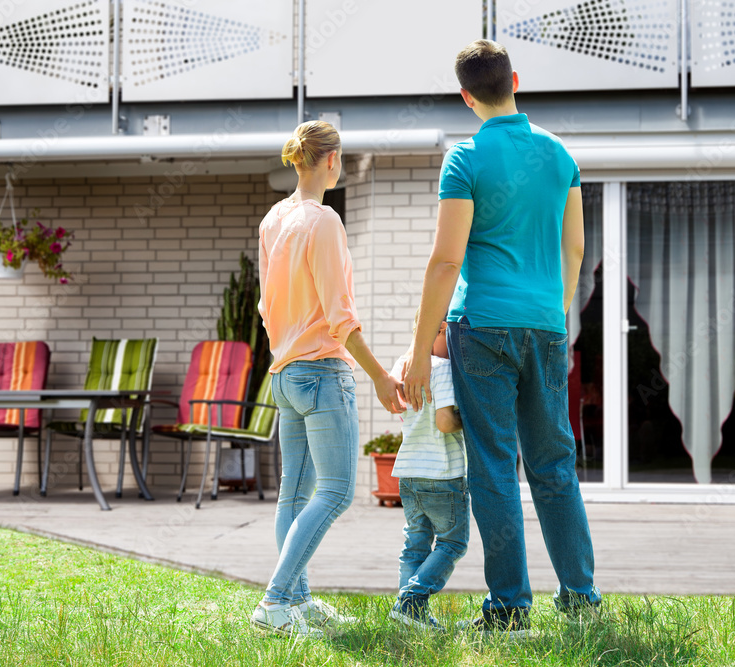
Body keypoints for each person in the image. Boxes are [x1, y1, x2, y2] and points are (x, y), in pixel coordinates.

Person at [403, 40, 600, 637]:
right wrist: (555, 312)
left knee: (492, 465)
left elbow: (445, 261)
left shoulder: (463, 159)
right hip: (544, 326)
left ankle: (510, 606)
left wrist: (417, 354)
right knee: (553, 464)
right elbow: (576, 248)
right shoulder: (559, 154)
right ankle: (580, 598)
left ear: (466, 96)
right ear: (515, 79)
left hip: (482, 328)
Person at [252, 120, 405, 637]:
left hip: (285, 374)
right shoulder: (324, 222)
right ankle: (275, 601)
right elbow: (342, 317)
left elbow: (264, 306)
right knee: (337, 492)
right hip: (321, 371)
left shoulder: (274, 219)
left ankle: (296, 601)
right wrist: (382, 376)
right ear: (332, 160)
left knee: (293, 496)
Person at [388, 318, 469, 632]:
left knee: (415, 544)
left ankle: (411, 615)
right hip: (441, 473)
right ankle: (410, 599)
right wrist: (470, 421)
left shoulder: (403, 364)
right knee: (452, 543)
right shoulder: (442, 368)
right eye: (454, 334)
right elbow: (445, 422)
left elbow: (396, 404)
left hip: (409, 471)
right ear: (440, 330)